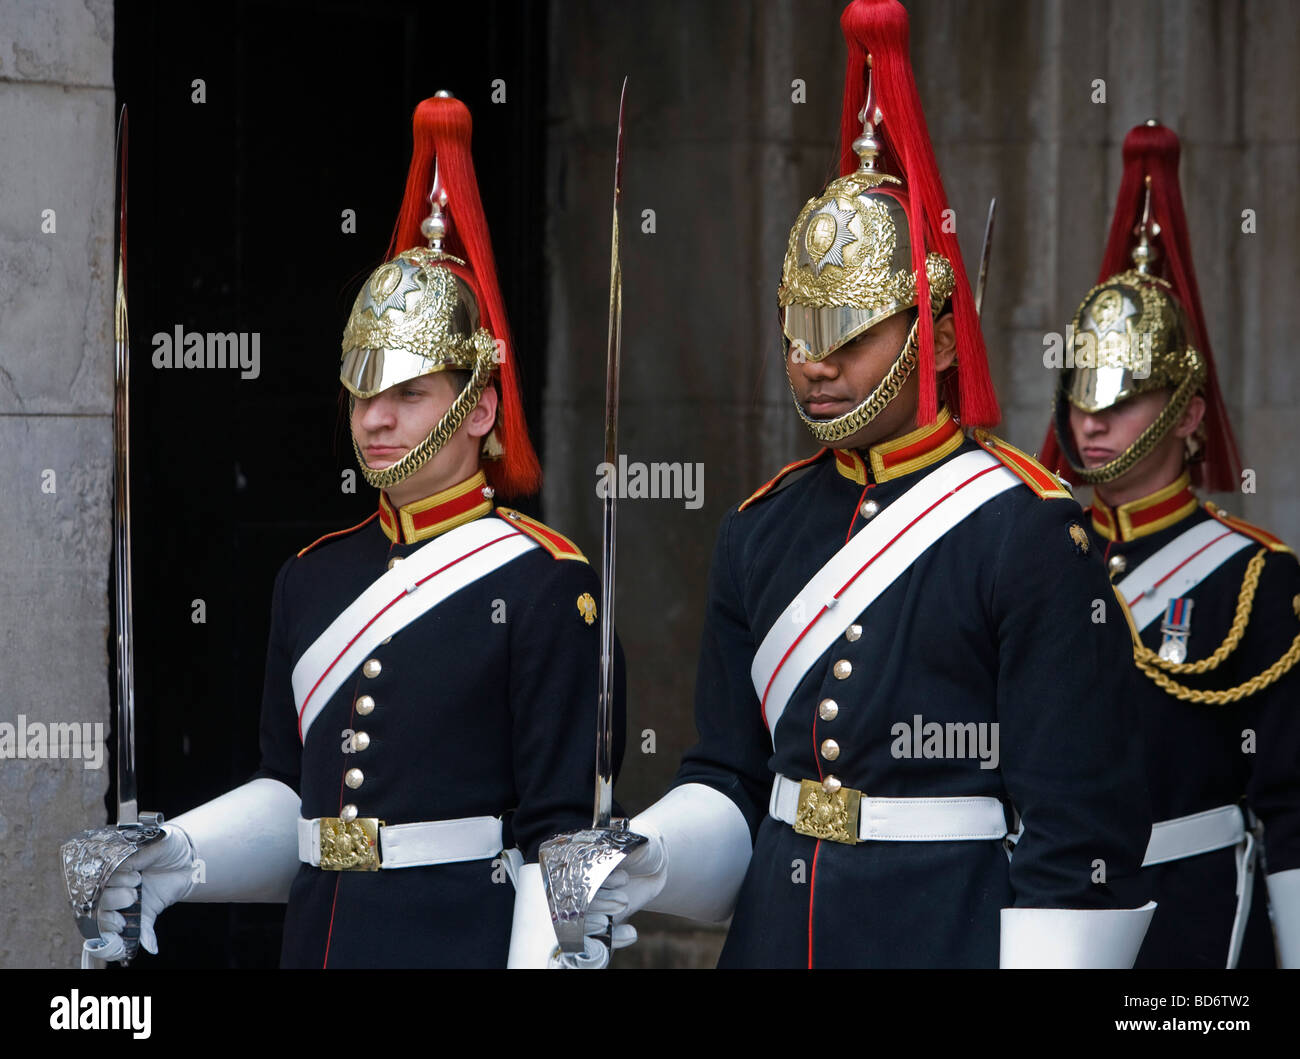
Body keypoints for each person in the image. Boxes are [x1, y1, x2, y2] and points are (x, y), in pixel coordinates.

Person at [597, 0, 1155, 968]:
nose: (816, 364)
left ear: (934, 335)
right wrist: (648, 858)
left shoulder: (1027, 531)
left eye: (850, 334)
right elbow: (732, 783)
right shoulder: (758, 532)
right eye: (802, 331)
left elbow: (1075, 838)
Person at [74, 94, 624, 969]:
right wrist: (175, 850)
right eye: (366, 391)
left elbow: (558, 838)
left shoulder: (546, 582)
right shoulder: (313, 577)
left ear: (480, 407)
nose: (376, 418)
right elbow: (288, 796)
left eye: (409, 394)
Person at [1038, 120, 1300, 969]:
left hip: (1189, 921)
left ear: (1188, 414)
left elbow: (1292, 810)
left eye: (1123, 395)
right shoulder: (1039, 548)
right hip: (1045, 908)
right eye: (1082, 393)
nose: (1092, 419)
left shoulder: (1257, 580)